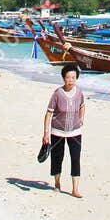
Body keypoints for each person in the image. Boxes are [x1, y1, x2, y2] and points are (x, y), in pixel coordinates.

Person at [43, 62, 85, 197]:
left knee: (75, 158)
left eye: (73, 77)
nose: (70, 80)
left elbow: (82, 106)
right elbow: (49, 113)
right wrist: (46, 133)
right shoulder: (57, 93)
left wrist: (81, 119)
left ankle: (75, 189)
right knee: (57, 158)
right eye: (68, 77)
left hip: (75, 131)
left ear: (76, 78)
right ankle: (57, 183)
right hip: (57, 131)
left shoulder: (79, 92)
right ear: (63, 78)